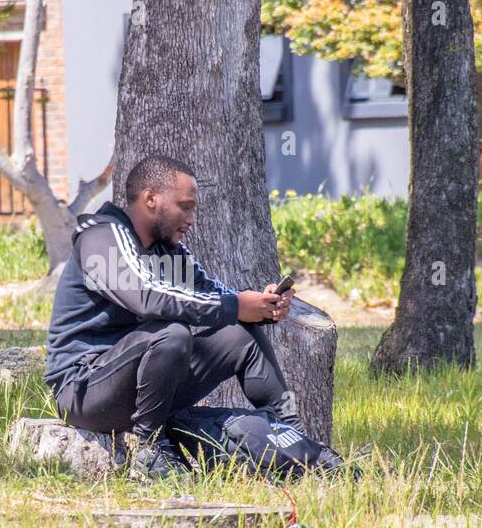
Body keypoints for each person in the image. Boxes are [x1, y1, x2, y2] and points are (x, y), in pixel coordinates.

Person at [45, 154, 304, 479]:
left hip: (146, 382)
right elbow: (147, 298)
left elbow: (216, 300)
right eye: (185, 206)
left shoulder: (169, 253)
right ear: (151, 198)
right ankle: (150, 448)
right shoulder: (100, 239)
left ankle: (294, 439)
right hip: (85, 391)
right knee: (172, 333)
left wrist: (262, 308)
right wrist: (236, 305)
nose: (192, 218)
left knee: (239, 333)